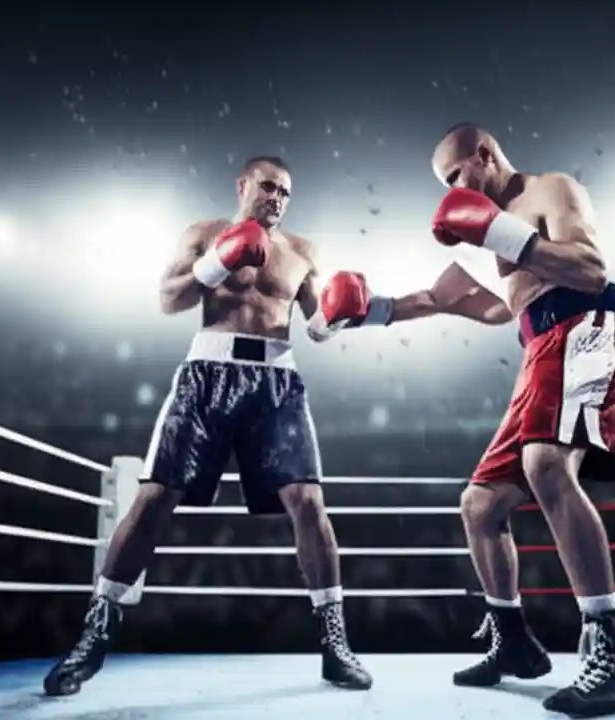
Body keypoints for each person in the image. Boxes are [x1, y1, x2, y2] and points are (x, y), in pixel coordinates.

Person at [42, 155, 507, 697]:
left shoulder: (302, 252)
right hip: (207, 374)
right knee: (154, 497)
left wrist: (340, 312)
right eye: (268, 187)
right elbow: (169, 299)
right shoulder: (203, 233)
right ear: (242, 185)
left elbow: (317, 325)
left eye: (285, 192)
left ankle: (335, 645)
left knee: (309, 503)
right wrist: (218, 261)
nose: (277, 199)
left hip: (277, 381)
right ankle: (94, 635)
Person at [422, 122, 615, 717]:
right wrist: (379, 312)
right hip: (539, 348)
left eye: (454, 176)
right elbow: (504, 305)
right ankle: (512, 640)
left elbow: (591, 269)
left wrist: (499, 230)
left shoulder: (551, 190)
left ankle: (611, 655)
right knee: (480, 504)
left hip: (589, 325)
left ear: (484, 154)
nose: (452, 190)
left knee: (547, 463)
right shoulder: (496, 233)